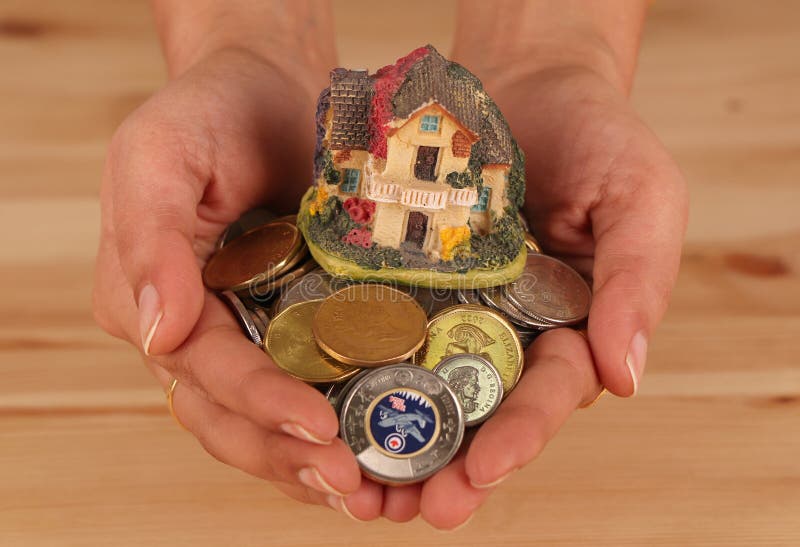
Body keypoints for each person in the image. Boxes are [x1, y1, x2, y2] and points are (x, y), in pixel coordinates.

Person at [92, 0, 688, 530]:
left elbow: (483, 190)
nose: (429, 142)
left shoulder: (473, 163)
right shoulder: (364, 145)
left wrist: (552, 53)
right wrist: (249, 42)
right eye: (420, 129)